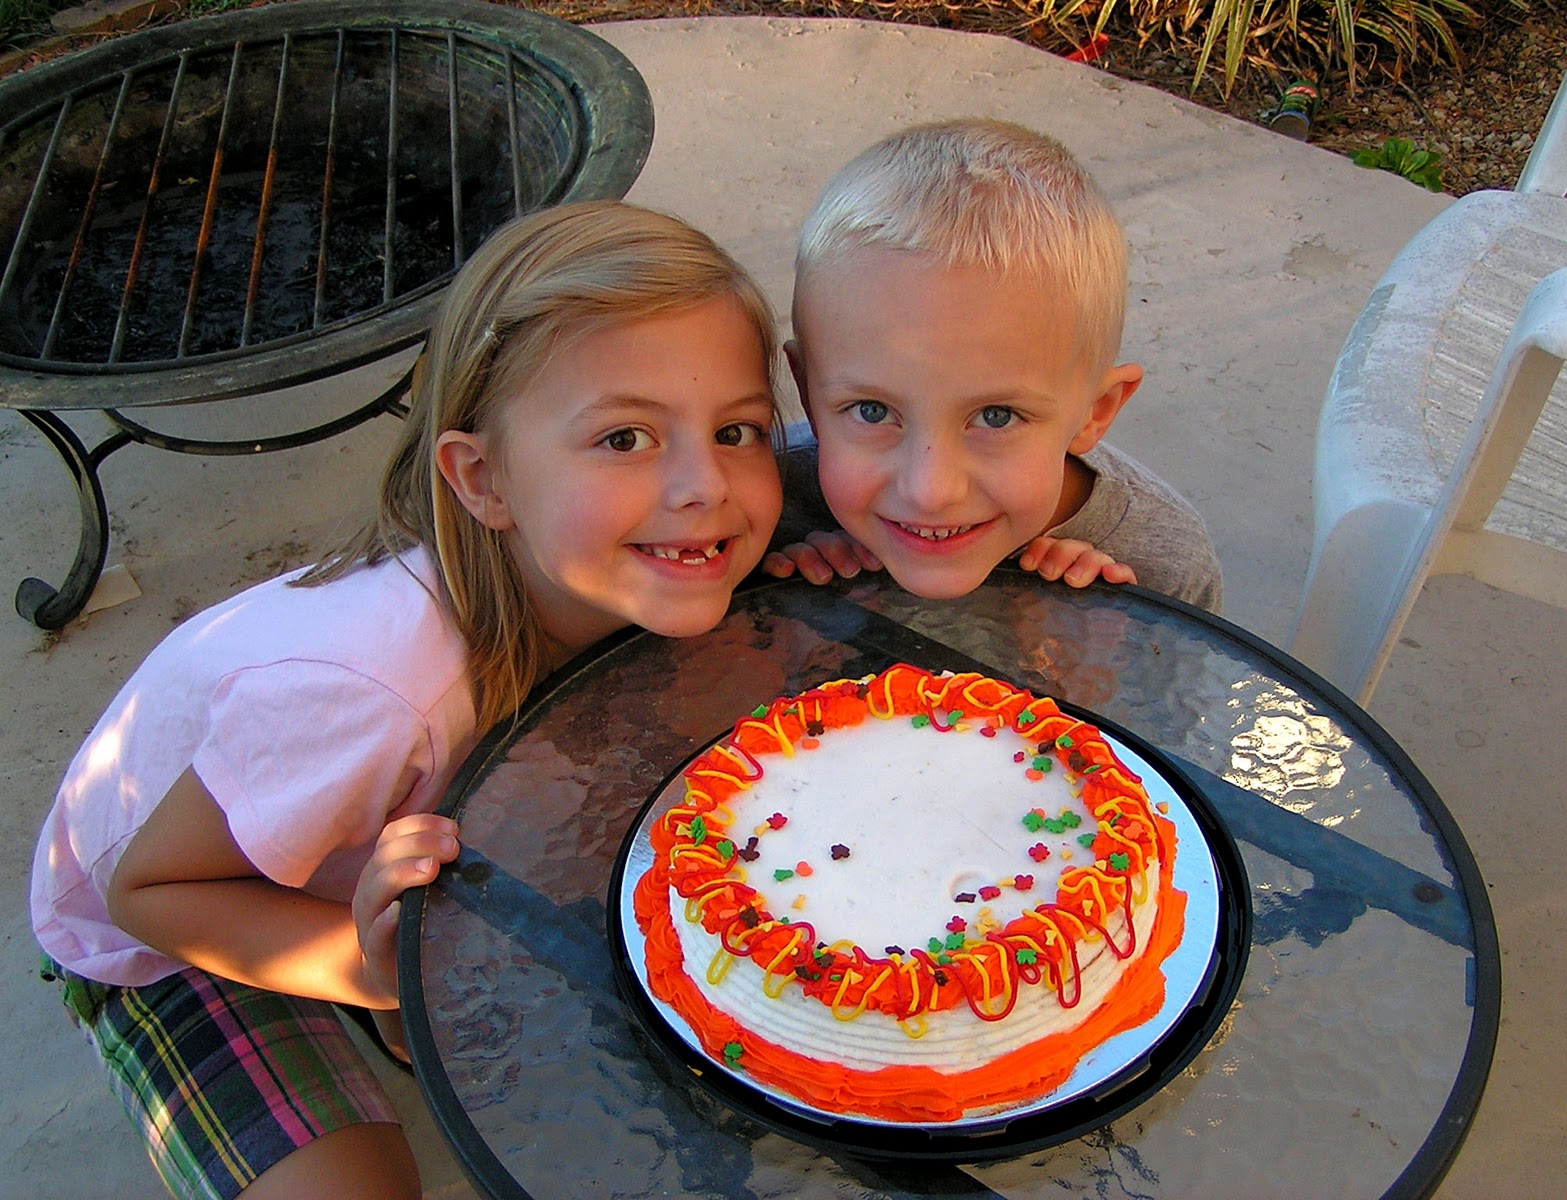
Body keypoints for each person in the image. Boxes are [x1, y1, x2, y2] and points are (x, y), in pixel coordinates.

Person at [29, 201, 785, 1200]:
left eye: (738, 430)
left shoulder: (614, 558)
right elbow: (153, 893)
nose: (706, 486)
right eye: (625, 437)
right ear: (482, 479)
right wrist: (369, 967)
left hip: (367, 844)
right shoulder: (365, 695)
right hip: (175, 931)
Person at [765, 117, 1223, 612]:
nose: (930, 492)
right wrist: (779, 617)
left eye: (996, 416)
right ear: (809, 393)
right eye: (872, 411)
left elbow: (1184, 686)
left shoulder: (1160, 564)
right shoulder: (759, 511)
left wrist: (1103, 671)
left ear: (1096, 412)